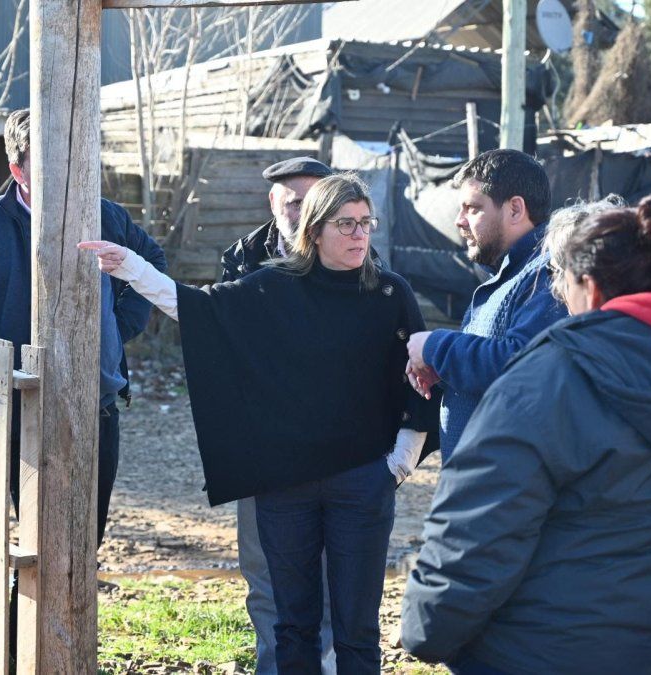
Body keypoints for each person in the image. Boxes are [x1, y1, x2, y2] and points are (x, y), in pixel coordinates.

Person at [81, 173, 437, 674]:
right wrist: (133, 268)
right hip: (285, 485)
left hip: (362, 483)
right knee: (292, 622)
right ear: (314, 231)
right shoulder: (274, 285)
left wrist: (399, 462)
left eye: (365, 223)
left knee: (357, 628)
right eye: (346, 224)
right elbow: (199, 308)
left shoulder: (389, 293)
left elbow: (419, 382)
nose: (360, 235)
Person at [401, 195, 651, 674]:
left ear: (589, 288)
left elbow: (483, 524)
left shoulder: (550, 378)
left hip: (545, 651)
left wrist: (428, 626)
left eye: (561, 280)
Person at [0, 108, 165, 550]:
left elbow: (150, 265)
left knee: (86, 535)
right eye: (49, 162)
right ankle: (18, 618)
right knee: (23, 538)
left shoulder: (107, 216)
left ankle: (69, 618)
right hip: (13, 404)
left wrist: (118, 328)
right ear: (17, 169)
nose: (67, 171)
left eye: (73, 156)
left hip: (95, 400)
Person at [219, 155, 337, 675]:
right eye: (294, 201)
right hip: (262, 448)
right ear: (274, 202)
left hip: (334, 447)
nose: (303, 213)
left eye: (314, 203)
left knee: (331, 575)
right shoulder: (242, 259)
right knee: (265, 574)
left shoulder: (354, 255)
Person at [405, 149, 567, 463]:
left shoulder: (546, 277)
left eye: (473, 208)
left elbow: (523, 365)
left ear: (515, 209)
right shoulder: (510, 274)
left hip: (508, 490)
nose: (459, 221)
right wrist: (449, 369)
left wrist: (436, 346)